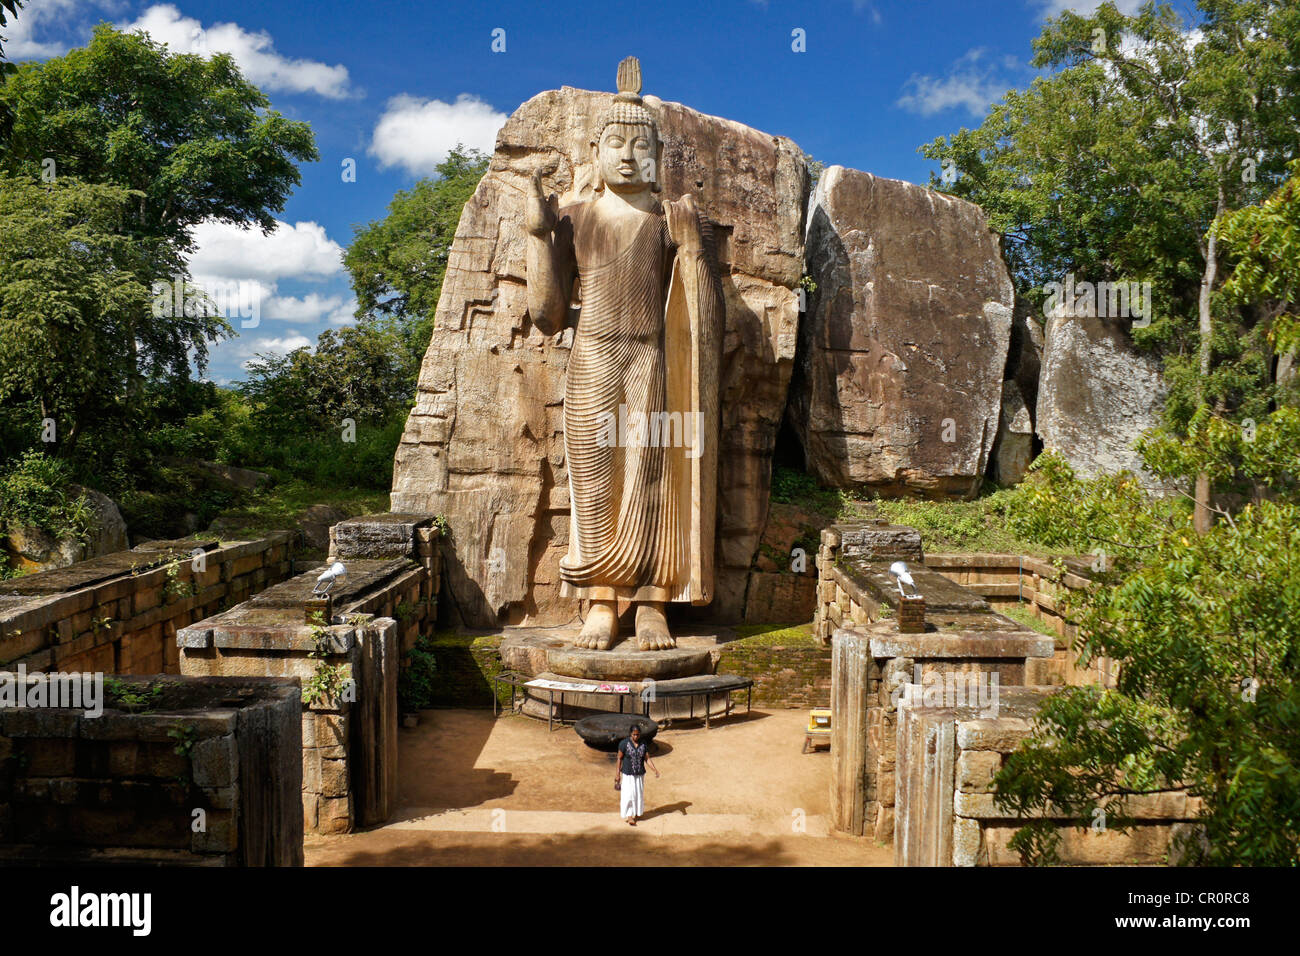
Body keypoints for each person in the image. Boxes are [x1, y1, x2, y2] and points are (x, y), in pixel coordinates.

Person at [615, 724, 660, 825]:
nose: (635, 737)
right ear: (630, 734)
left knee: (637, 794)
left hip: (639, 774)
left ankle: (635, 812)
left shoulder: (643, 744)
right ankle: (629, 816)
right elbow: (619, 758)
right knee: (628, 794)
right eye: (634, 735)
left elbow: (647, 758)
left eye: (637, 735)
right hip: (628, 775)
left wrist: (655, 770)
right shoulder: (624, 743)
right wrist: (617, 774)